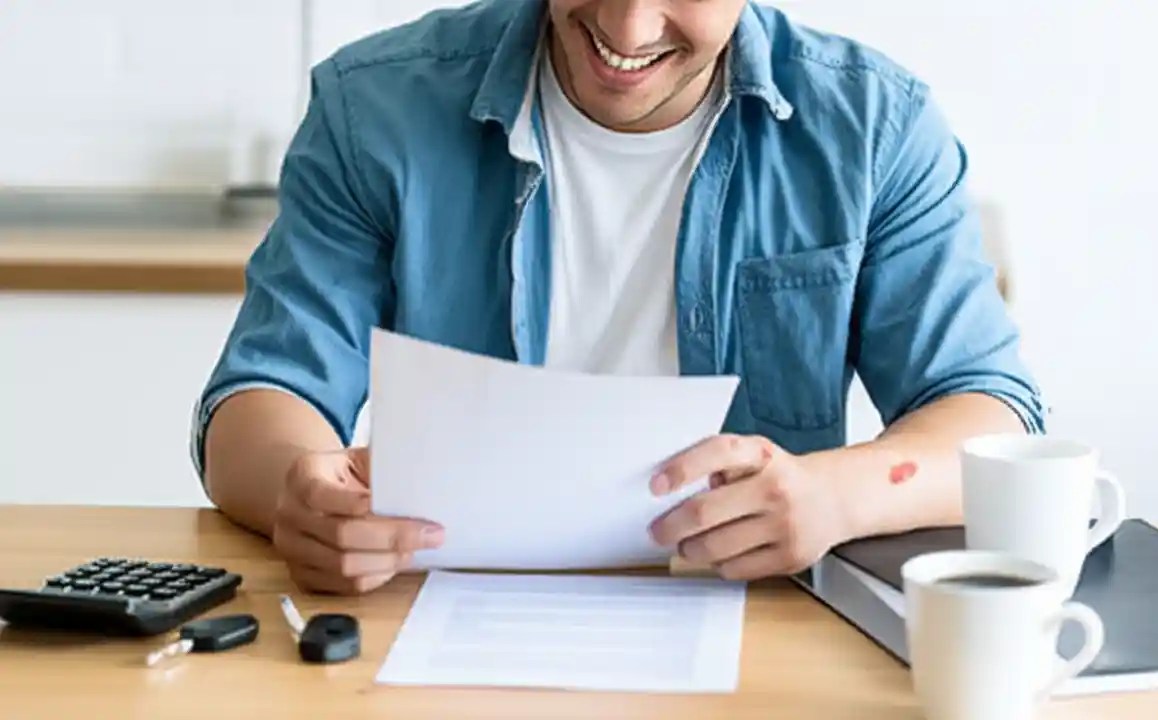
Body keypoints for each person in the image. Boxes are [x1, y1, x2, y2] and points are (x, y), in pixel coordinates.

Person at [193, 0, 1044, 595]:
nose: (626, 27)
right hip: (431, 617)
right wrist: (299, 495)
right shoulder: (373, 107)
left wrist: (835, 495)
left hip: (762, 629)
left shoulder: (874, 126)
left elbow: (989, 417)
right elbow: (262, 398)